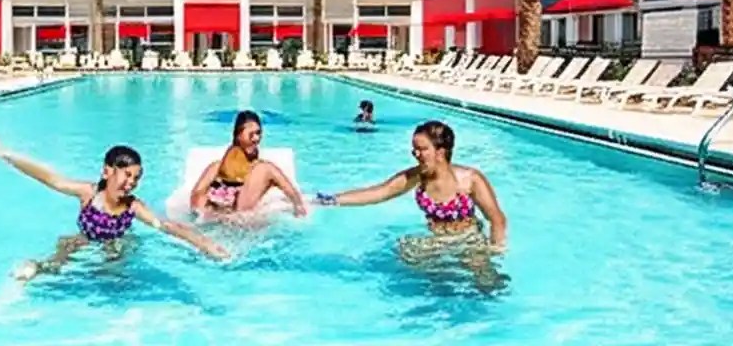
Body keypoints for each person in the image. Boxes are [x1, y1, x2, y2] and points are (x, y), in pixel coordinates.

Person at [0, 136, 229, 281]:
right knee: (55, 265)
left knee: (114, 273)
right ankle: (33, 268)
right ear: (107, 171)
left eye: (136, 178)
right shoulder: (89, 194)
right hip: (83, 240)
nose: (131, 183)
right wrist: (9, 156)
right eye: (127, 175)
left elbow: (166, 225)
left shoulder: (132, 206)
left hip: (116, 244)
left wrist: (203, 243)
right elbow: (51, 179)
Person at [313, 120, 507, 251]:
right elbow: (380, 192)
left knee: (487, 286)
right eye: (414, 149)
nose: (415, 154)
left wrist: (496, 250)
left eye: (422, 149)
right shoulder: (417, 177)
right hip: (437, 242)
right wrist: (333, 200)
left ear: (441, 152)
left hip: (468, 241)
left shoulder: (470, 179)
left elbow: (497, 220)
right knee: (404, 252)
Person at [189, 110, 308, 218]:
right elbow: (196, 195)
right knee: (266, 168)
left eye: (258, 133)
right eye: (251, 134)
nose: (256, 138)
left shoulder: (223, 167)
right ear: (238, 135)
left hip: (226, 216)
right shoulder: (261, 169)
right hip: (236, 218)